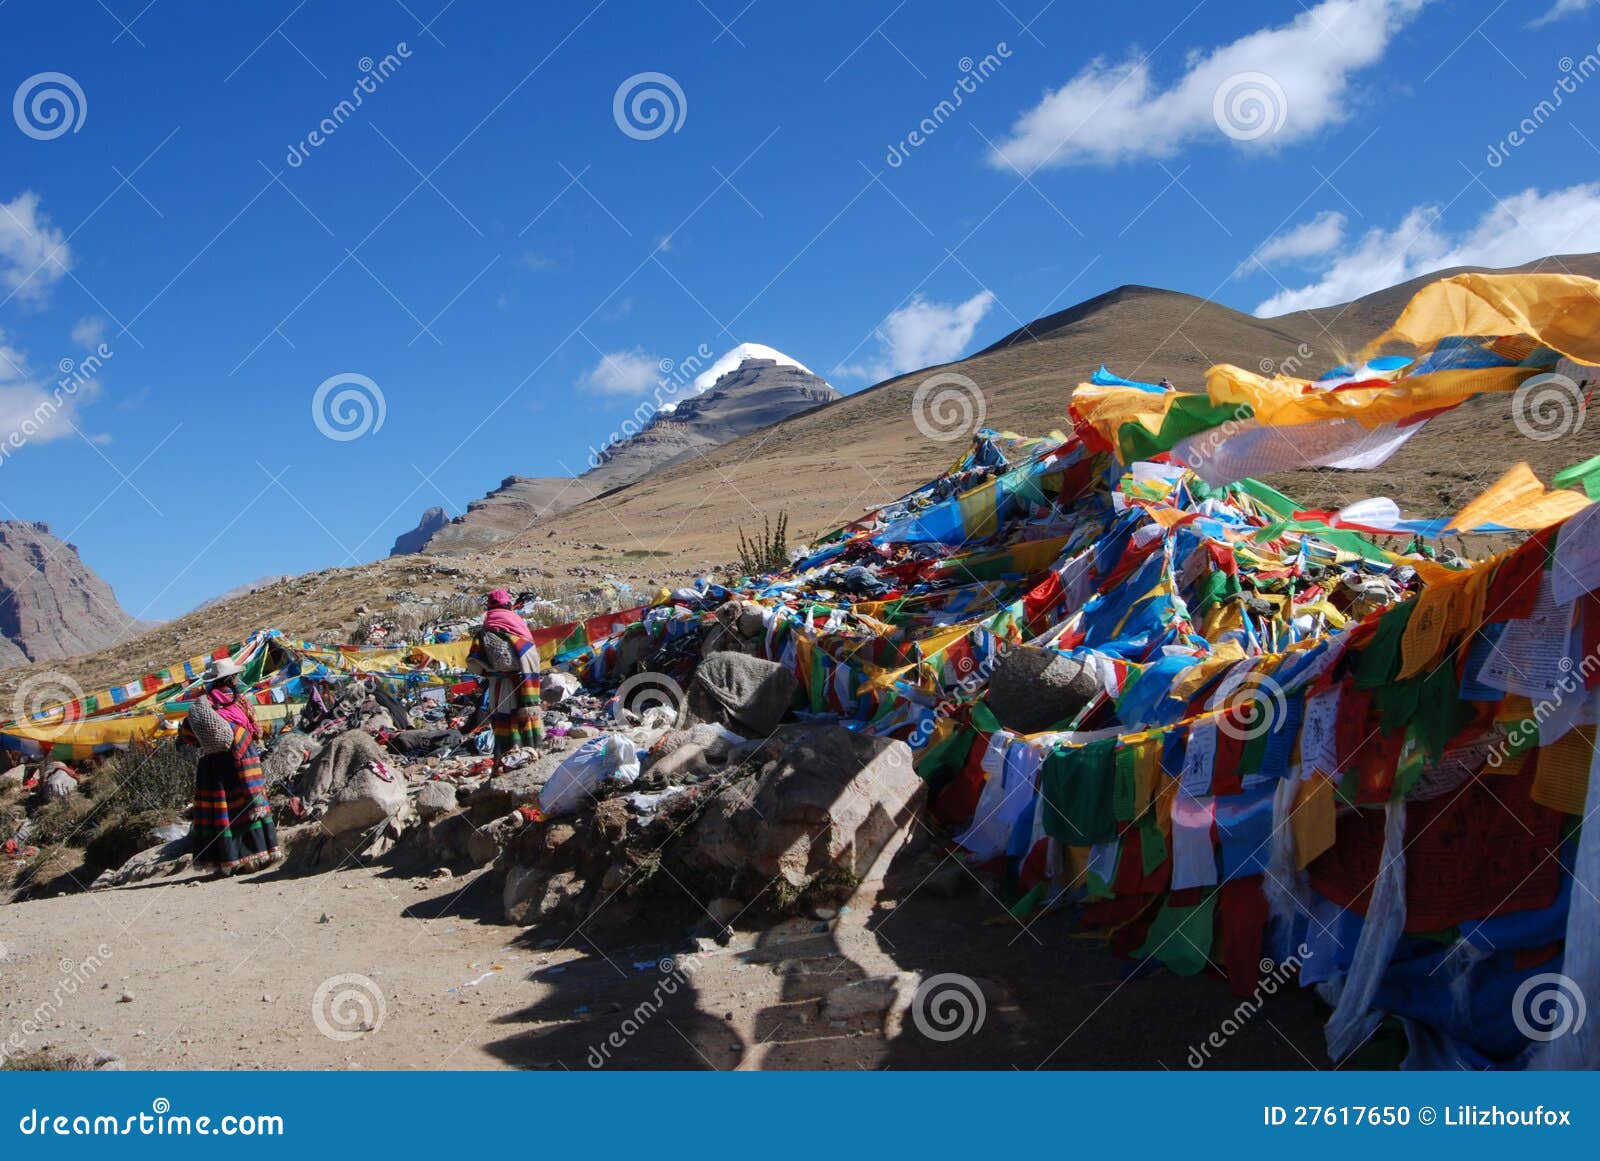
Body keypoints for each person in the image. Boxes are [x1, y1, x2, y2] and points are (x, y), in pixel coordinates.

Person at [179, 657, 280, 876]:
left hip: (211, 764)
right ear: (232, 678)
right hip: (241, 757)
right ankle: (256, 858)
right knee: (245, 807)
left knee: (221, 812)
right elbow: (255, 731)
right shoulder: (238, 701)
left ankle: (226, 862)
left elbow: (187, 735)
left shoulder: (201, 706)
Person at [467, 590, 545, 773]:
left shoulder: (486, 629)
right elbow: (530, 652)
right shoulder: (518, 624)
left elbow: (473, 661)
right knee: (524, 718)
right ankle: (530, 753)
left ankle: (505, 758)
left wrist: (490, 672)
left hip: (499, 685)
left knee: (503, 719)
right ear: (508, 605)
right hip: (523, 681)